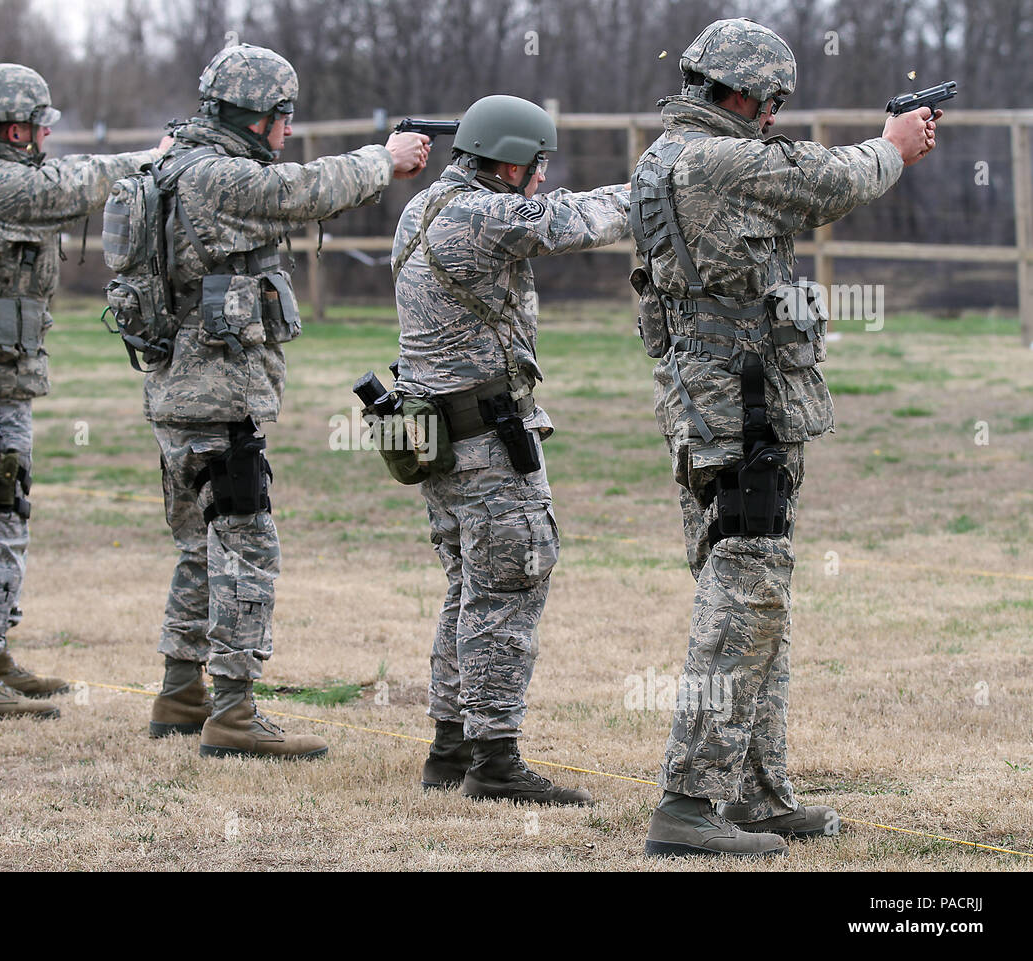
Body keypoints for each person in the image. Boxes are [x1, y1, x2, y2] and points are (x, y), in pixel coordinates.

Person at [632, 18, 939, 857]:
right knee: (744, 595)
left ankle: (757, 792)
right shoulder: (718, 160)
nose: (772, 116)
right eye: (769, 103)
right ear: (743, 94)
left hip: (719, 400)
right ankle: (690, 801)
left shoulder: (665, 156)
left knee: (754, 591)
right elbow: (830, 181)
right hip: (743, 406)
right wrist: (892, 145)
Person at [143, 43, 429, 758]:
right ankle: (233, 714)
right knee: (245, 550)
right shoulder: (215, 177)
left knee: (199, 548)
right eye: (281, 117)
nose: (288, 132)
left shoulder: (169, 164)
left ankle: (182, 693)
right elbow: (300, 192)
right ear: (251, 118)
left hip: (178, 394)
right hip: (214, 400)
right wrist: (382, 160)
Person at [390, 95, 630, 803]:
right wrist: (657, 182)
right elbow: (579, 220)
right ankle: (494, 760)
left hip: (441, 437)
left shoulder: (423, 209)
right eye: (538, 166)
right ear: (510, 162)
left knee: (468, 587)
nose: (543, 180)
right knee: (508, 589)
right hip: (487, 442)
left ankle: (449, 746)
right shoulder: (481, 214)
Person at [0, 62, 171, 719]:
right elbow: (76, 183)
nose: (41, 139)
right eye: (35, 127)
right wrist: (156, 157)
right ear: (12, 126)